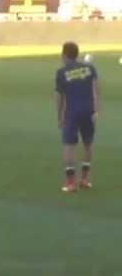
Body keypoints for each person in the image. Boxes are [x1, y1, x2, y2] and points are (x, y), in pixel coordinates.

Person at [55, 41, 101, 192]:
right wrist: (96, 110)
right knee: (88, 145)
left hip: (72, 113)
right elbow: (96, 90)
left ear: (64, 55)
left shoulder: (61, 72)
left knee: (69, 146)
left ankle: (71, 183)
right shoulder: (90, 68)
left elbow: (60, 97)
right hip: (88, 111)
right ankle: (85, 180)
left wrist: (59, 116)